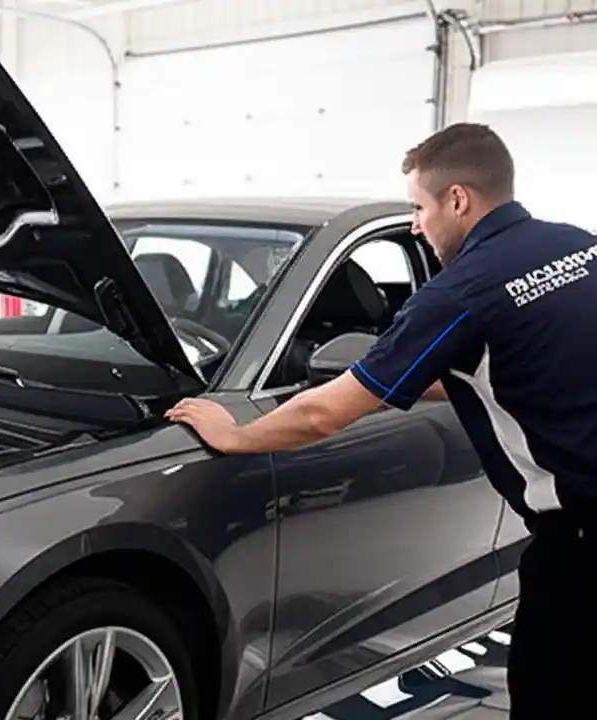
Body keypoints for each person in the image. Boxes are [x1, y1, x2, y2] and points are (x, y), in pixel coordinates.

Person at [166, 122, 597, 718]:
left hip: (581, 541)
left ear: (458, 199)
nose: (416, 224)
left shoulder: (461, 291)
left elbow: (320, 413)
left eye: (418, 207)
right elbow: (529, 360)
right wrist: (401, 379)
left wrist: (234, 433)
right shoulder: (580, 244)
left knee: (551, 693)